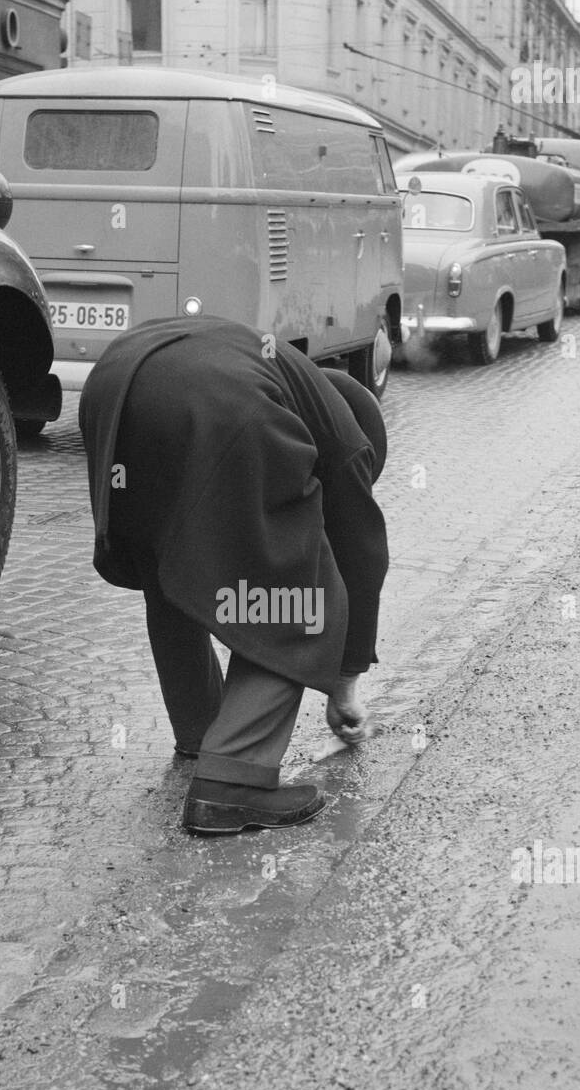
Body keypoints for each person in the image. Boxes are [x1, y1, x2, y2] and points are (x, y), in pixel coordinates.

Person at [78, 317, 390, 836]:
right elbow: (362, 558)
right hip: (219, 404)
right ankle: (234, 782)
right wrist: (344, 685)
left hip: (114, 385)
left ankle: (201, 733)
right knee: (298, 601)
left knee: (170, 560)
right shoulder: (347, 441)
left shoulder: (289, 378)